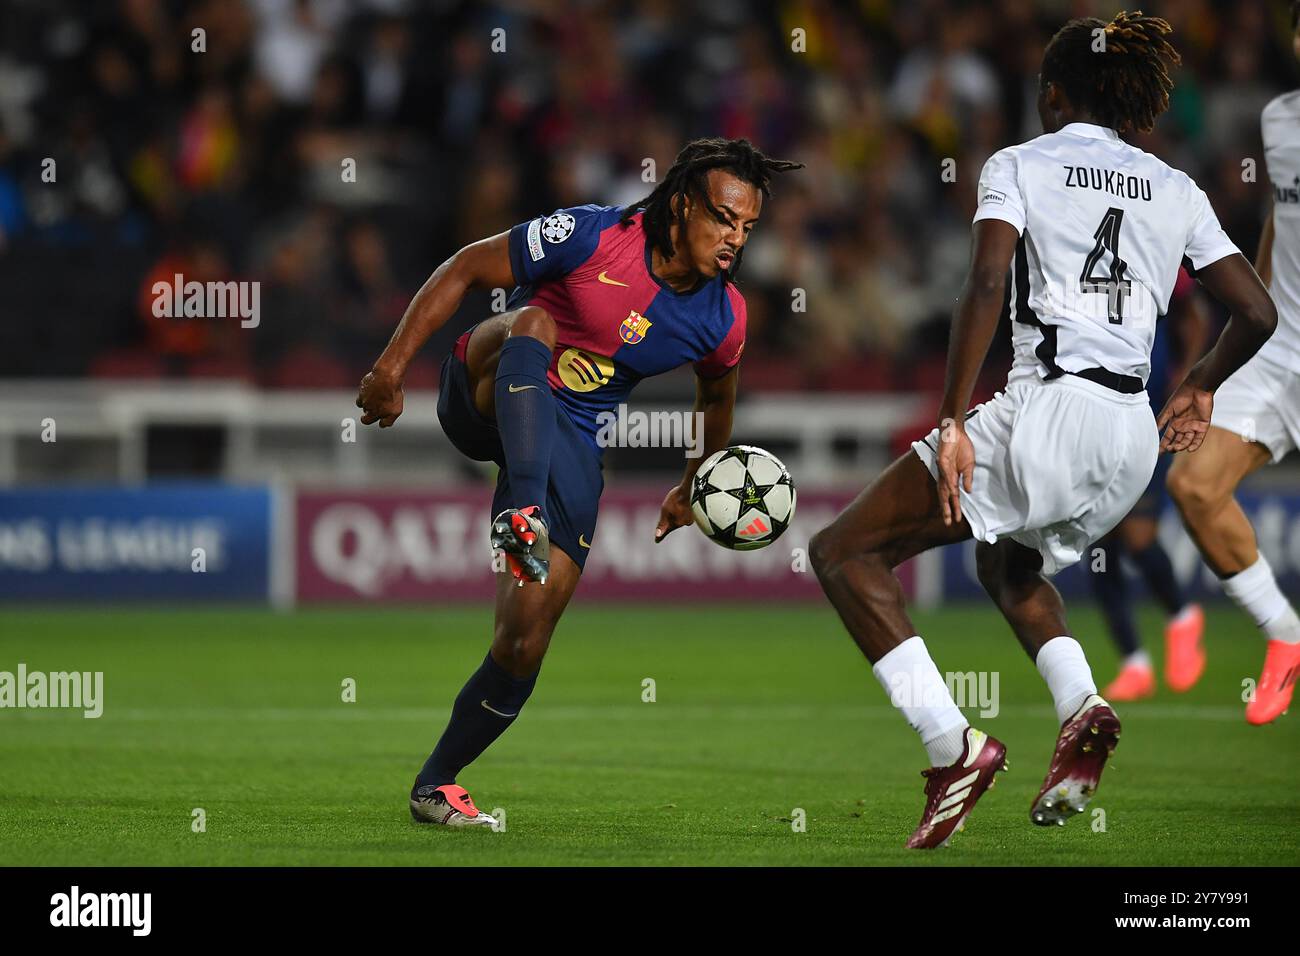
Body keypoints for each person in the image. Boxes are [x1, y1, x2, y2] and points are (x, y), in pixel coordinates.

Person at [809, 12, 1276, 849]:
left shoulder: (1019, 163)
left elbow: (986, 281)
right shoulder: (1177, 187)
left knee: (844, 553)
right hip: (1131, 434)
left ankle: (953, 748)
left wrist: (953, 419)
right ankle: (1082, 705)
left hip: (1047, 411)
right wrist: (1201, 385)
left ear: (1053, 95)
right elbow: (1258, 310)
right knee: (1008, 563)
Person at [355, 138, 801, 826]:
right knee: (531, 320)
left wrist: (693, 485)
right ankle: (523, 512)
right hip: (484, 387)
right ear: (682, 204)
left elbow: (714, 402)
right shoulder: (595, 234)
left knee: (524, 638)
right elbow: (466, 266)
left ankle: (436, 782)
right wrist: (390, 368)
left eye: (747, 228)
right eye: (722, 218)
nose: (734, 240)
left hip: (568, 439)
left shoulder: (723, 316)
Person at [1165, 3, 1300, 726]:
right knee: (1193, 484)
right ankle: (1285, 633)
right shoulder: (1279, 120)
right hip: (1283, 349)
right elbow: (1283, 214)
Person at [1090, 277, 1211, 701]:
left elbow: (1198, 317)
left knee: (1139, 538)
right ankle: (1134, 663)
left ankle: (1181, 615)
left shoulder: (1155, 247)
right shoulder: (1082, 249)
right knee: (1099, 547)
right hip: (1093, 414)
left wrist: (1189, 376)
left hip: (1148, 412)